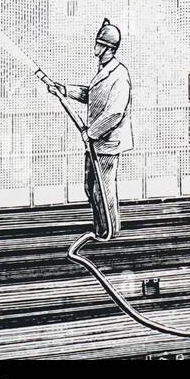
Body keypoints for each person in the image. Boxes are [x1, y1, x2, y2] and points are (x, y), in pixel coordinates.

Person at [46, 18, 133, 239]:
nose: (94, 46)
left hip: (107, 142)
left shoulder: (119, 75)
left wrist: (91, 132)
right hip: (95, 141)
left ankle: (110, 233)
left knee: (102, 190)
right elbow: (90, 96)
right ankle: (100, 230)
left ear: (108, 48)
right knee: (90, 187)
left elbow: (114, 113)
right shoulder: (104, 70)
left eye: (98, 43)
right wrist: (64, 90)